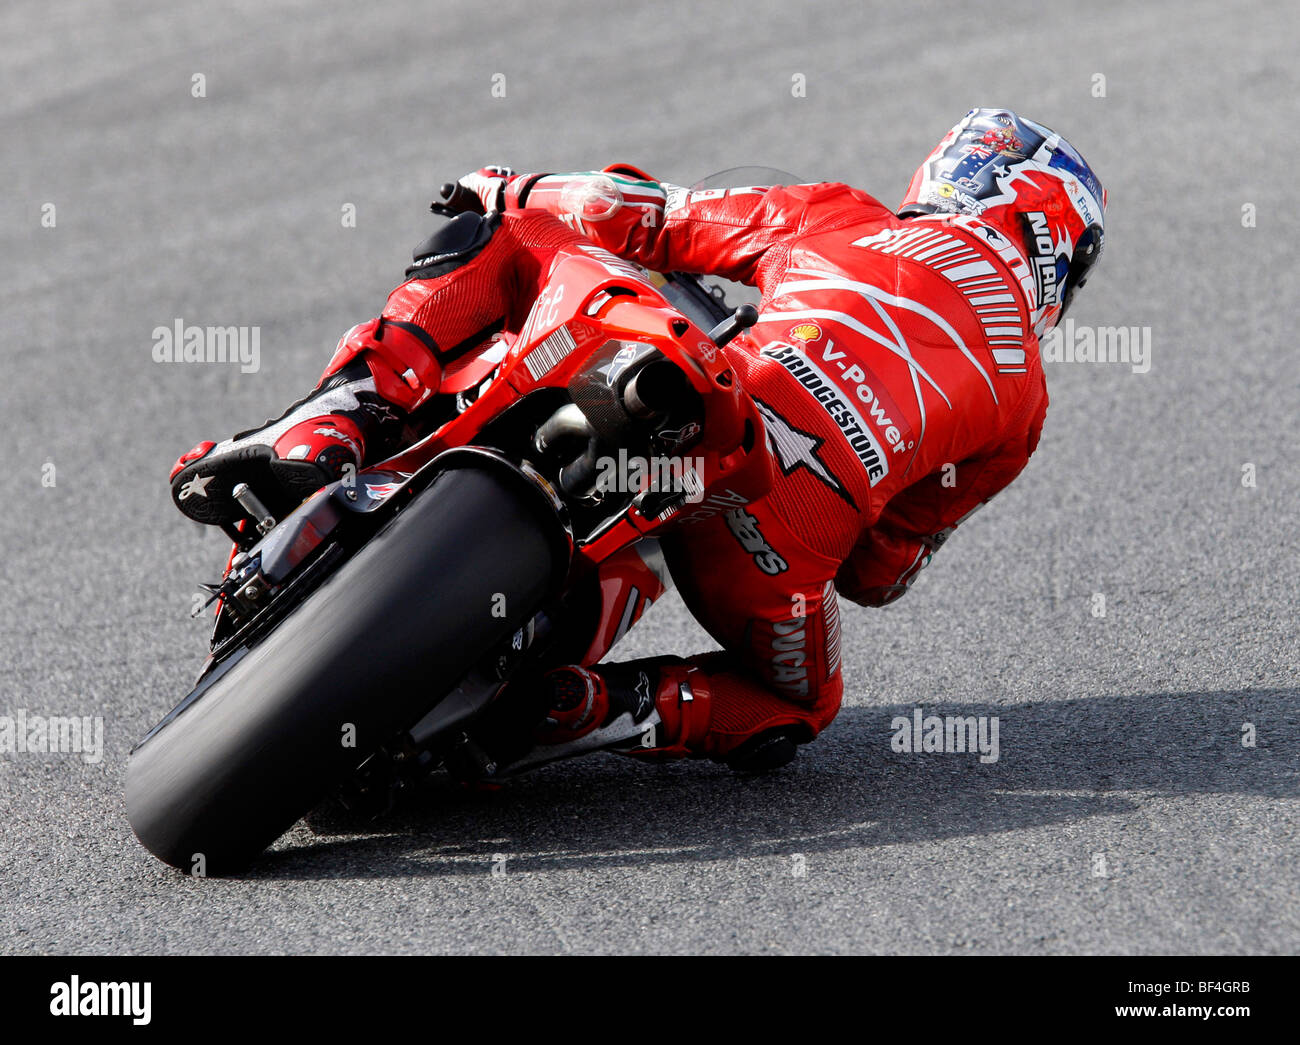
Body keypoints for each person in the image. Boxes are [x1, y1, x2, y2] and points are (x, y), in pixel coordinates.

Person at [169, 108, 1106, 773]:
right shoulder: (1022, 404)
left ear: (952, 174)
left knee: (505, 232)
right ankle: (585, 710)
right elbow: (876, 576)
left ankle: (339, 414)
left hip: (702, 377)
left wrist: (510, 185)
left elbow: (649, 215)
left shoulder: (842, 215)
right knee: (801, 706)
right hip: (769, 539)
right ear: (1057, 255)